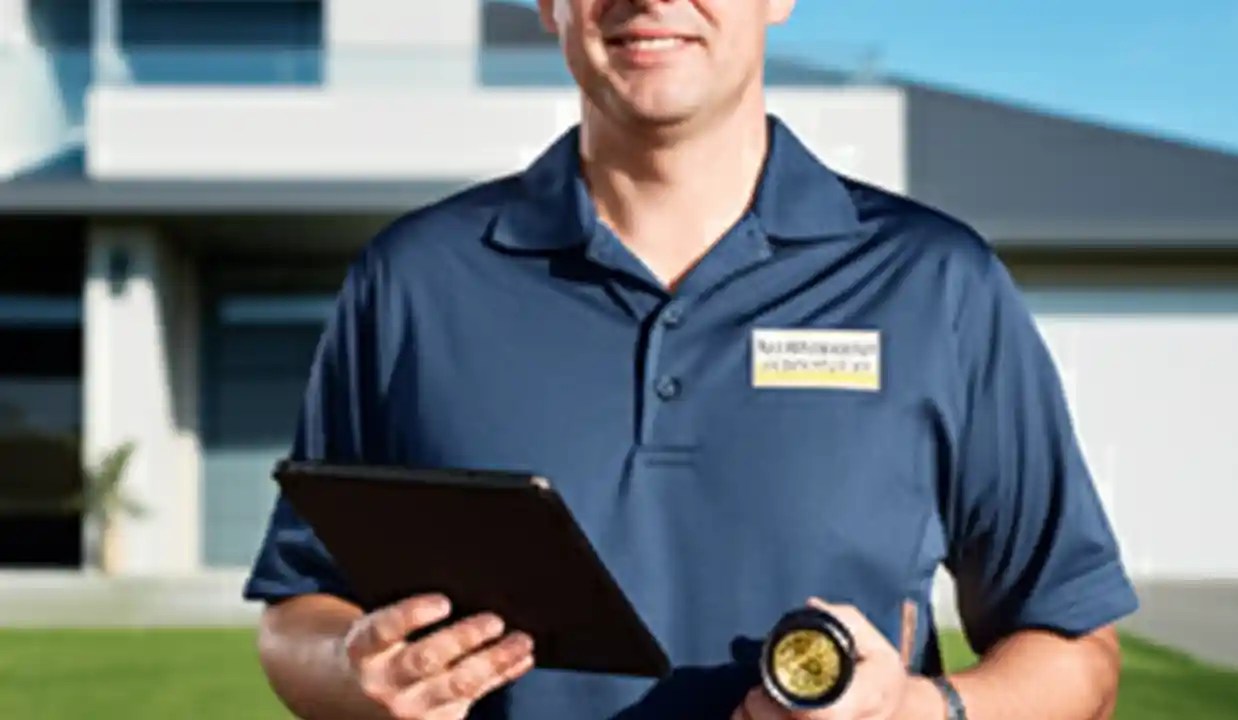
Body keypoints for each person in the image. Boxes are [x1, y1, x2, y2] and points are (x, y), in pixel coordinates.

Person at [243, 0, 1140, 718]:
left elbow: (1077, 655)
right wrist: (354, 674)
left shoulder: (937, 284)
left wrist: (925, 711)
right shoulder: (416, 281)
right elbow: (297, 615)